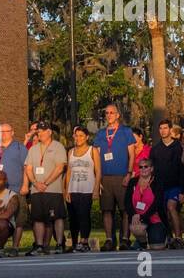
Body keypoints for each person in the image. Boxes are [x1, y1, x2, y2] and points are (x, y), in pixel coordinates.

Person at [93, 104, 133, 252]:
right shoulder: (100, 134)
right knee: (107, 210)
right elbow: (96, 156)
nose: (109, 115)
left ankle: (125, 239)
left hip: (121, 176)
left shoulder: (126, 131)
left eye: (112, 113)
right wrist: (98, 179)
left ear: (118, 115)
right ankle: (110, 239)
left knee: (125, 210)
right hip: (106, 178)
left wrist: (129, 173)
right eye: (106, 113)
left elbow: (132, 154)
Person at [24, 121, 67, 255]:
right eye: (38, 131)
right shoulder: (33, 149)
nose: (40, 133)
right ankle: (39, 245)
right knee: (38, 218)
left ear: (49, 132)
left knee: (57, 217)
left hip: (53, 189)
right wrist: (35, 183)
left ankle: (59, 244)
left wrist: (46, 182)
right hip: (37, 189)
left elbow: (60, 167)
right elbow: (28, 168)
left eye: (42, 131)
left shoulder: (58, 146)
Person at [0, 124, 28, 255]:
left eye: (6, 131)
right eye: (0, 131)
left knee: (18, 220)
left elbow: (26, 168)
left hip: (16, 189)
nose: (3, 134)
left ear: (12, 132)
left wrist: (25, 185)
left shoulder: (20, 148)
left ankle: (15, 247)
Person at [151, 118, 184, 248]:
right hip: (160, 187)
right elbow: (152, 170)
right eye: (160, 128)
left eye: (165, 128)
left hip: (175, 186)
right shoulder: (155, 149)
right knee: (164, 212)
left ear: (170, 129)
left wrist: (183, 191)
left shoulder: (178, 147)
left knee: (171, 207)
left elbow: (183, 170)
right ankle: (169, 237)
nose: (162, 131)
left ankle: (178, 238)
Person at [64, 126, 99, 253]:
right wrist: (67, 190)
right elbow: (68, 172)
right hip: (73, 188)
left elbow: (98, 171)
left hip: (87, 188)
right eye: (76, 135)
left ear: (87, 137)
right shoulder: (70, 152)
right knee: (73, 217)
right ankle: (74, 242)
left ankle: (84, 242)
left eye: (81, 136)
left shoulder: (92, 150)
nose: (78, 138)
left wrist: (96, 188)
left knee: (84, 215)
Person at [129, 159, 169, 250]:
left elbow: (157, 204)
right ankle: (142, 242)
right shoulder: (133, 182)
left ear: (151, 169)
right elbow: (127, 202)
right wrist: (134, 214)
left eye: (146, 166)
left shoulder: (157, 182)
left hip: (154, 218)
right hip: (138, 219)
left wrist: (143, 216)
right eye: (141, 167)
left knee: (156, 247)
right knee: (136, 228)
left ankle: (163, 237)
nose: (143, 169)